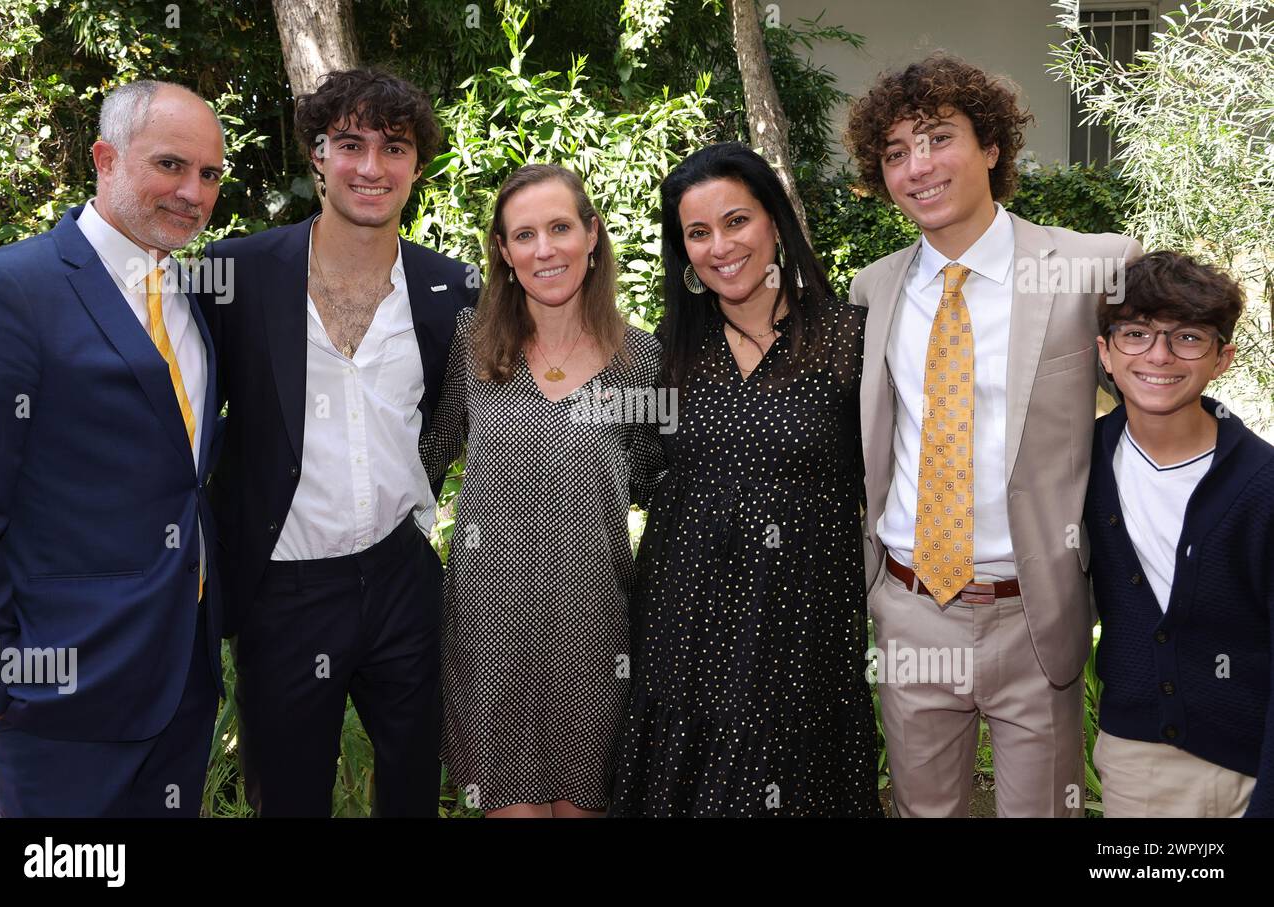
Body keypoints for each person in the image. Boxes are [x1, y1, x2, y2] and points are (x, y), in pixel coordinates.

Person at [844, 53, 1143, 817]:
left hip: (1034, 612)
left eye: (939, 138)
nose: (919, 166)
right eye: (895, 153)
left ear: (991, 148)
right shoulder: (873, 289)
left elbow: (1162, 394)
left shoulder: (1090, 268)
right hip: (912, 608)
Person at [201, 68, 476, 817]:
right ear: (317, 155)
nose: (370, 166)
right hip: (285, 592)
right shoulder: (235, 273)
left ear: (418, 166)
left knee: (414, 792)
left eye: (394, 147)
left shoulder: (449, 289)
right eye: (348, 143)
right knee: (288, 800)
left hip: (401, 578)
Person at [0, 81, 226, 817]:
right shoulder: (9, 288)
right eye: (172, 166)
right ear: (104, 158)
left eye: (209, 175)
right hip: (57, 696)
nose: (193, 192)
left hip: (181, 680)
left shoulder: (189, 292)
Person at [610, 142, 879, 817]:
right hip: (684, 627)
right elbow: (641, 470)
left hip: (800, 628)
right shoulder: (667, 350)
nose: (720, 246)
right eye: (697, 232)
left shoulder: (853, 338)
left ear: (774, 222)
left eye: (737, 221)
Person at [420, 164, 665, 817]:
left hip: (595, 627)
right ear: (503, 251)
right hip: (487, 627)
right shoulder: (472, 344)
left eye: (560, 227)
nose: (544, 249)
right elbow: (426, 463)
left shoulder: (642, 359)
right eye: (523, 234)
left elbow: (657, 483)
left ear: (592, 234)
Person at [1086, 251, 1273, 818]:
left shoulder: (1261, 486)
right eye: (1136, 334)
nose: (1159, 355)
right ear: (1105, 353)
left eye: (1188, 337)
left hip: (1250, 759)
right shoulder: (1079, 461)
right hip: (1141, 761)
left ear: (1222, 358)